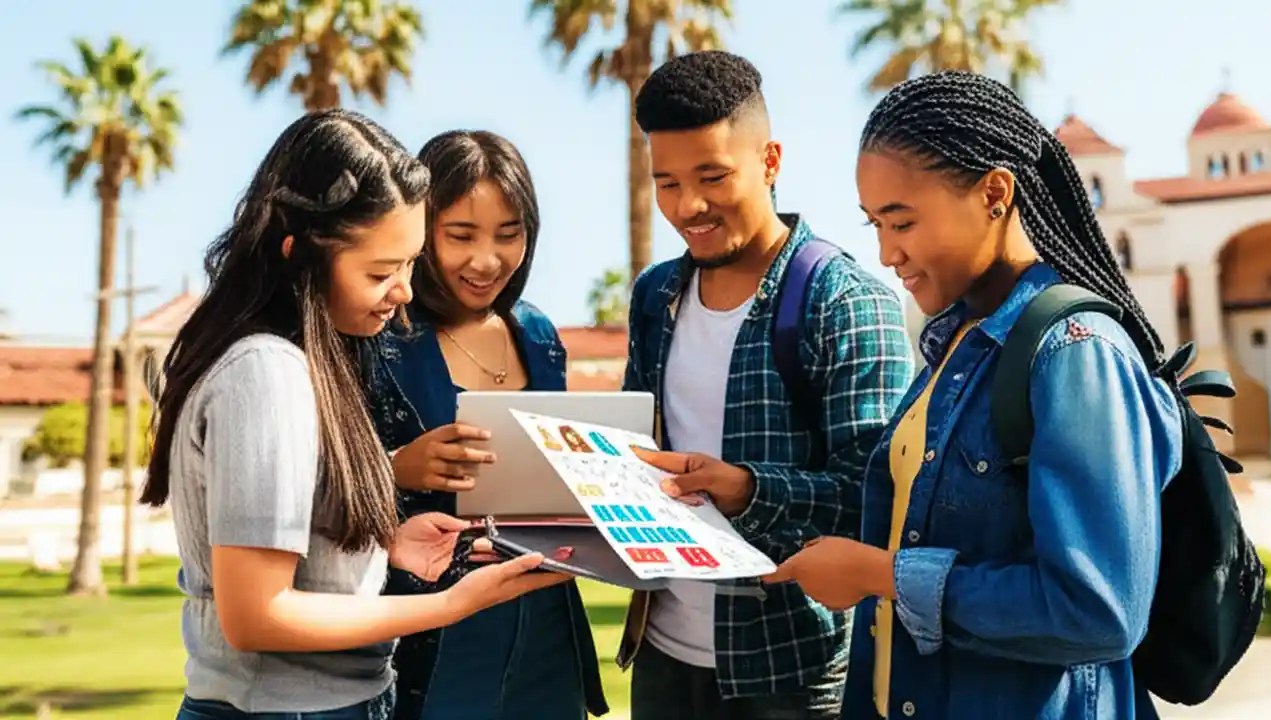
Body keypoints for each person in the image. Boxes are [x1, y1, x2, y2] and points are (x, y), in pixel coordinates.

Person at [765, 71, 1183, 720]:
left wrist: (879, 575)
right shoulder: (953, 344)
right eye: (874, 224)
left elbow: (1098, 611)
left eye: (902, 222)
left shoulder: (1075, 351)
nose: (886, 252)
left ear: (994, 193)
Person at [141, 109, 566, 720]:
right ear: (299, 256)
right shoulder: (266, 371)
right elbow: (257, 614)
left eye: (410, 265)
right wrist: (452, 605)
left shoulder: (299, 361)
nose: (404, 294)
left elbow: (286, 530)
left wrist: (384, 543)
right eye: (381, 272)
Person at [617, 50, 916, 720]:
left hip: (792, 670)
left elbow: (876, 503)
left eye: (713, 176)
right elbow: (636, 450)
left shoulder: (847, 301)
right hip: (663, 656)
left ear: (770, 161)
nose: (688, 206)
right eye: (666, 183)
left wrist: (749, 490)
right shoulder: (654, 296)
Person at [363, 129, 608, 720]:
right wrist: (394, 468)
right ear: (421, 230)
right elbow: (317, 479)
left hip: (545, 621)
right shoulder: (380, 334)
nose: (486, 260)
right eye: (461, 235)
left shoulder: (538, 334)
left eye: (508, 234)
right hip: (433, 633)